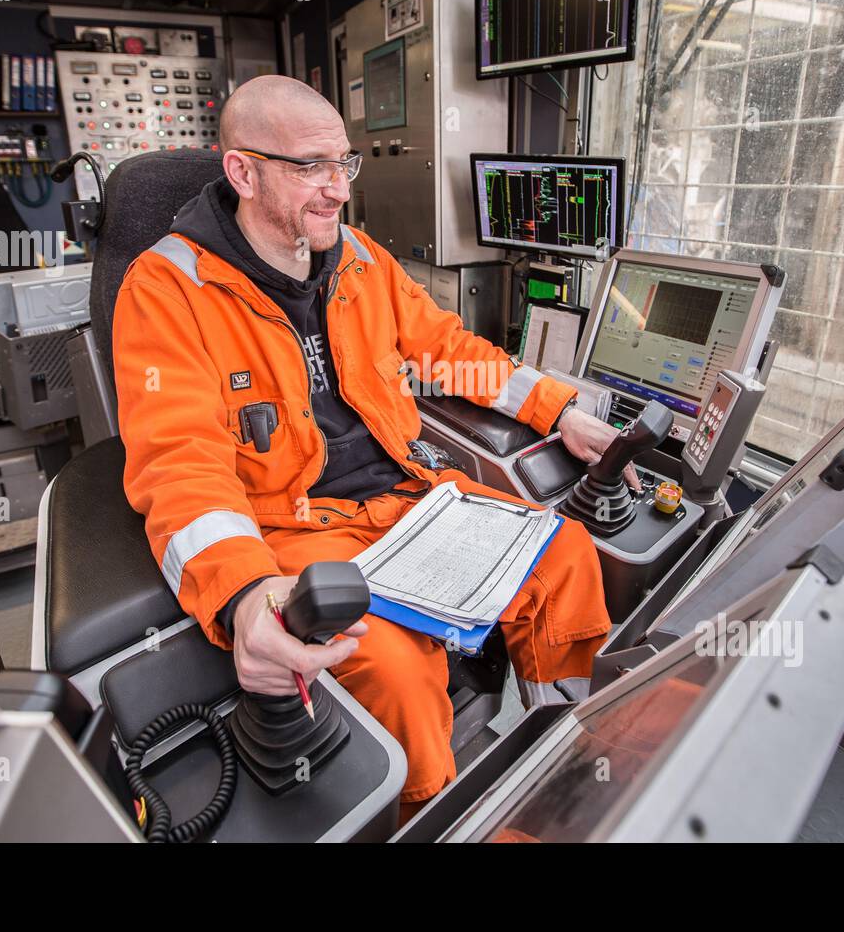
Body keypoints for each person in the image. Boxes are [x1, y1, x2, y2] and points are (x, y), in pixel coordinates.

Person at [113, 75, 640, 819]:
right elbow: (180, 467)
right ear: (242, 171)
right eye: (311, 168)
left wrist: (559, 408)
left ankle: (578, 764)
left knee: (564, 553)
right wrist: (242, 599)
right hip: (289, 529)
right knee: (397, 672)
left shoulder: (359, 259)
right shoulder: (166, 289)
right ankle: (434, 817)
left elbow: (447, 350)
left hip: (405, 498)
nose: (338, 190)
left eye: (344, 164)